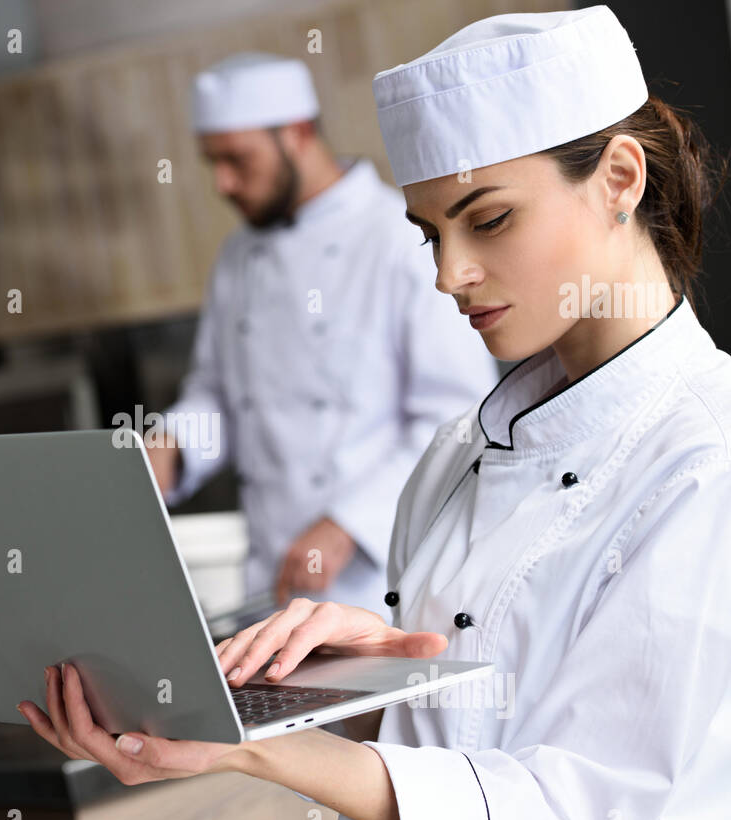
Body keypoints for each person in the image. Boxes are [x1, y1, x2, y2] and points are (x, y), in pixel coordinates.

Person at [20, 5, 731, 820]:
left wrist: (247, 744)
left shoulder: (716, 469)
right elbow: (463, 748)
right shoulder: (453, 460)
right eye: (432, 232)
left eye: (490, 218)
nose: (447, 274)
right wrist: (342, 686)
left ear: (620, 179)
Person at [147, 52, 497, 609]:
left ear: (299, 134)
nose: (222, 183)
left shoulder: (396, 238)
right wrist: (173, 446)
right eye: (211, 162)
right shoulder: (237, 256)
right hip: (269, 581)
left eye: (237, 160)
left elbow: (457, 415)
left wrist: (346, 525)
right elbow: (221, 392)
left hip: (379, 581)